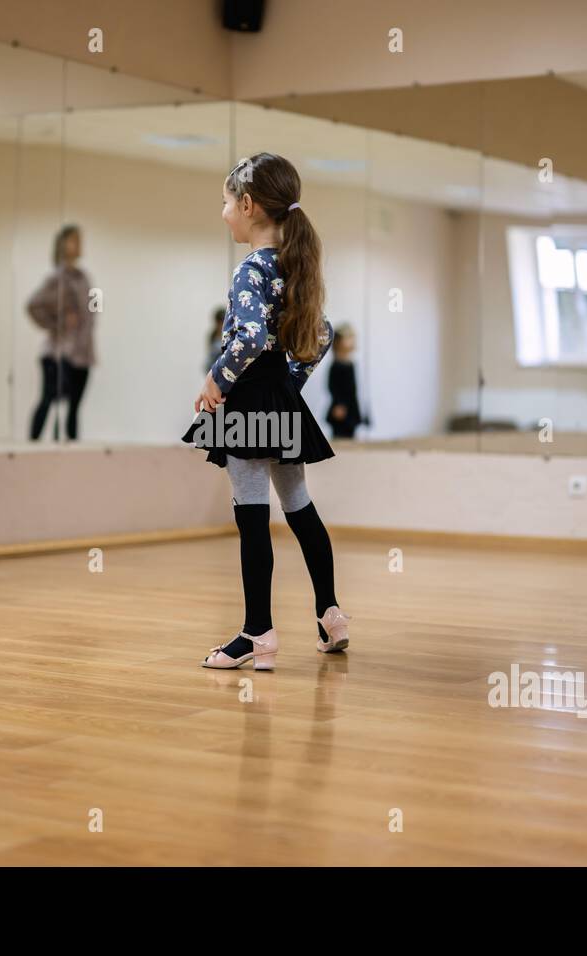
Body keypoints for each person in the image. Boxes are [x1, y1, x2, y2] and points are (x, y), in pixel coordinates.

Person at [182, 153, 351, 670]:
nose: (224, 211)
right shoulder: (293, 264)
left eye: (227, 202)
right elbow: (321, 335)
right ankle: (330, 614)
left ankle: (257, 632)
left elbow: (251, 336)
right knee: (299, 506)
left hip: (250, 399)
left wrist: (217, 378)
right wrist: (287, 383)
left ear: (249, 205)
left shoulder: (251, 268)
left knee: (251, 516)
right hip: (277, 395)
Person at [27, 225, 95, 441]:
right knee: (48, 400)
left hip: (82, 355)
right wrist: (58, 322)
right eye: (74, 239)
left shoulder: (83, 277)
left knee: (74, 409)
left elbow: (90, 313)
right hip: (58, 353)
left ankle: (73, 456)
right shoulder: (57, 277)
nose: (79, 244)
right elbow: (33, 305)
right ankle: (31, 448)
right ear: (63, 244)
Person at [326, 324, 363, 439]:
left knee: (350, 435)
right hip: (340, 408)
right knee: (340, 436)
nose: (351, 341)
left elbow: (352, 389)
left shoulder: (350, 364)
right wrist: (339, 404)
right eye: (348, 338)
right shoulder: (337, 365)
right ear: (339, 342)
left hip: (350, 407)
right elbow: (332, 387)